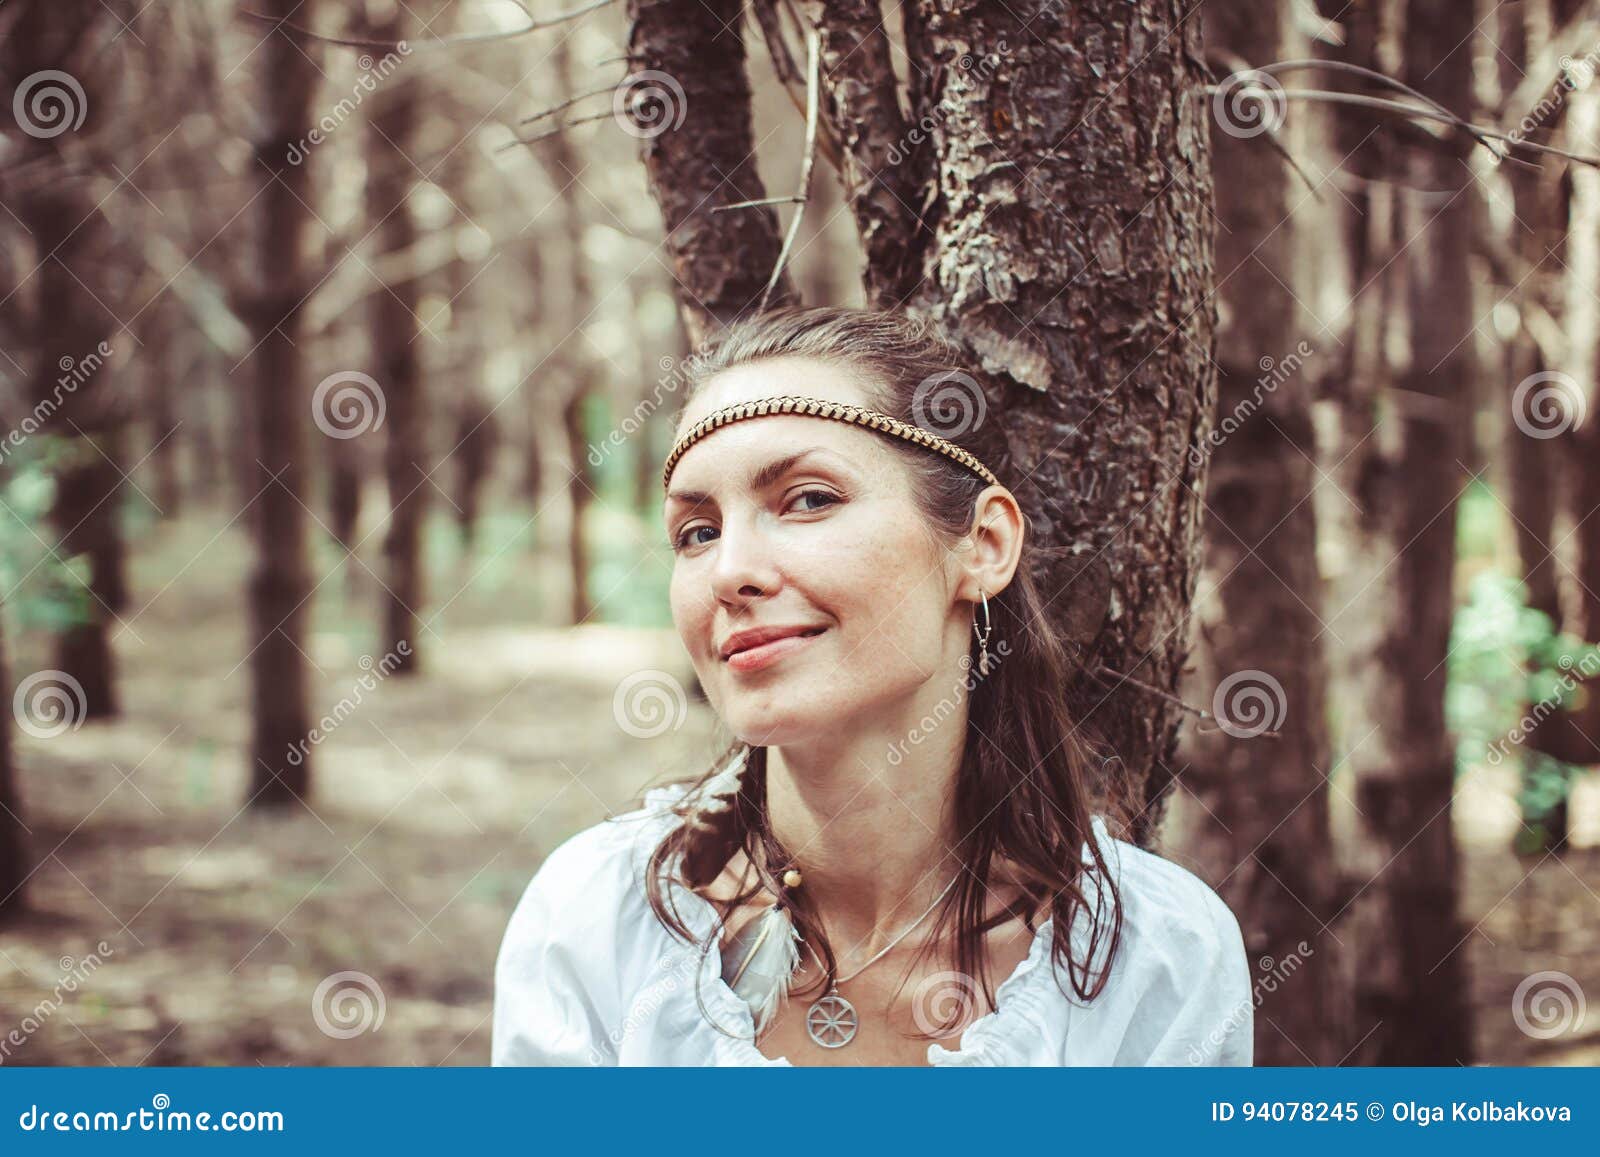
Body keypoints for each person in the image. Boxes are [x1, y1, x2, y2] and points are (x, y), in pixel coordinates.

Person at [493, 306, 1252, 1067]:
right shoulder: (597, 928)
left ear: (983, 546)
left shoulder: (1156, 964)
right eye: (699, 532)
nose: (729, 572)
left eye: (809, 499)